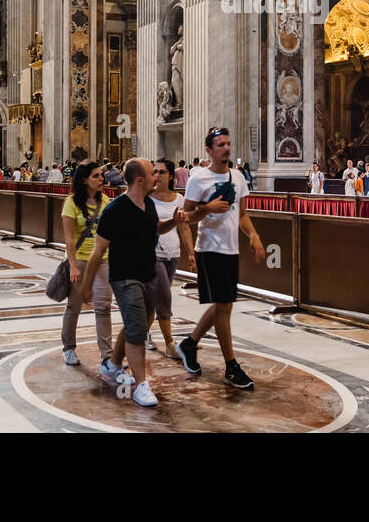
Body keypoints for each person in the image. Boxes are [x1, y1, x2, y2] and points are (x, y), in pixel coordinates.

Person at [79, 159, 189, 407]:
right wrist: (86, 286)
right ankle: (141, 385)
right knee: (138, 329)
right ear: (140, 180)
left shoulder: (148, 203)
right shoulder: (115, 210)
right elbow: (98, 251)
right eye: (153, 173)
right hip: (125, 277)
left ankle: (112, 365)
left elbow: (156, 228)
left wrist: (174, 222)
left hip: (147, 273)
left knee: (135, 323)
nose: (157, 177)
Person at [176, 126, 263, 389]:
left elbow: (242, 214)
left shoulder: (238, 177)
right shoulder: (198, 179)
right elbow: (185, 217)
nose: (226, 148)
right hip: (209, 248)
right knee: (224, 306)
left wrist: (254, 236)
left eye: (228, 143)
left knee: (224, 306)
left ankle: (189, 344)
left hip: (230, 249)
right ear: (209, 150)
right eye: (220, 145)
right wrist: (207, 208)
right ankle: (231, 366)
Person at [60, 162, 114, 373]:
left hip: (103, 259)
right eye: (96, 176)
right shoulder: (71, 203)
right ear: (84, 180)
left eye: (101, 175)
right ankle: (69, 347)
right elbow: (69, 240)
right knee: (74, 305)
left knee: (103, 307)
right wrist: (73, 266)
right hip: (80, 259)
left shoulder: (106, 201)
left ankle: (107, 357)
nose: (101, 179)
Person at [146, 158, 194, 358]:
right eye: (154, 172)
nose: (156, 176)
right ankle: (169, 343)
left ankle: (142, 333)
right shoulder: (147, 198)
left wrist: (191, 253)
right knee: (164, 298)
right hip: (152, 254)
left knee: (152, 301)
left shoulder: (179, 199)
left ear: (171, 176)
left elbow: (184, 227)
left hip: (172, 254)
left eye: (161, 172)